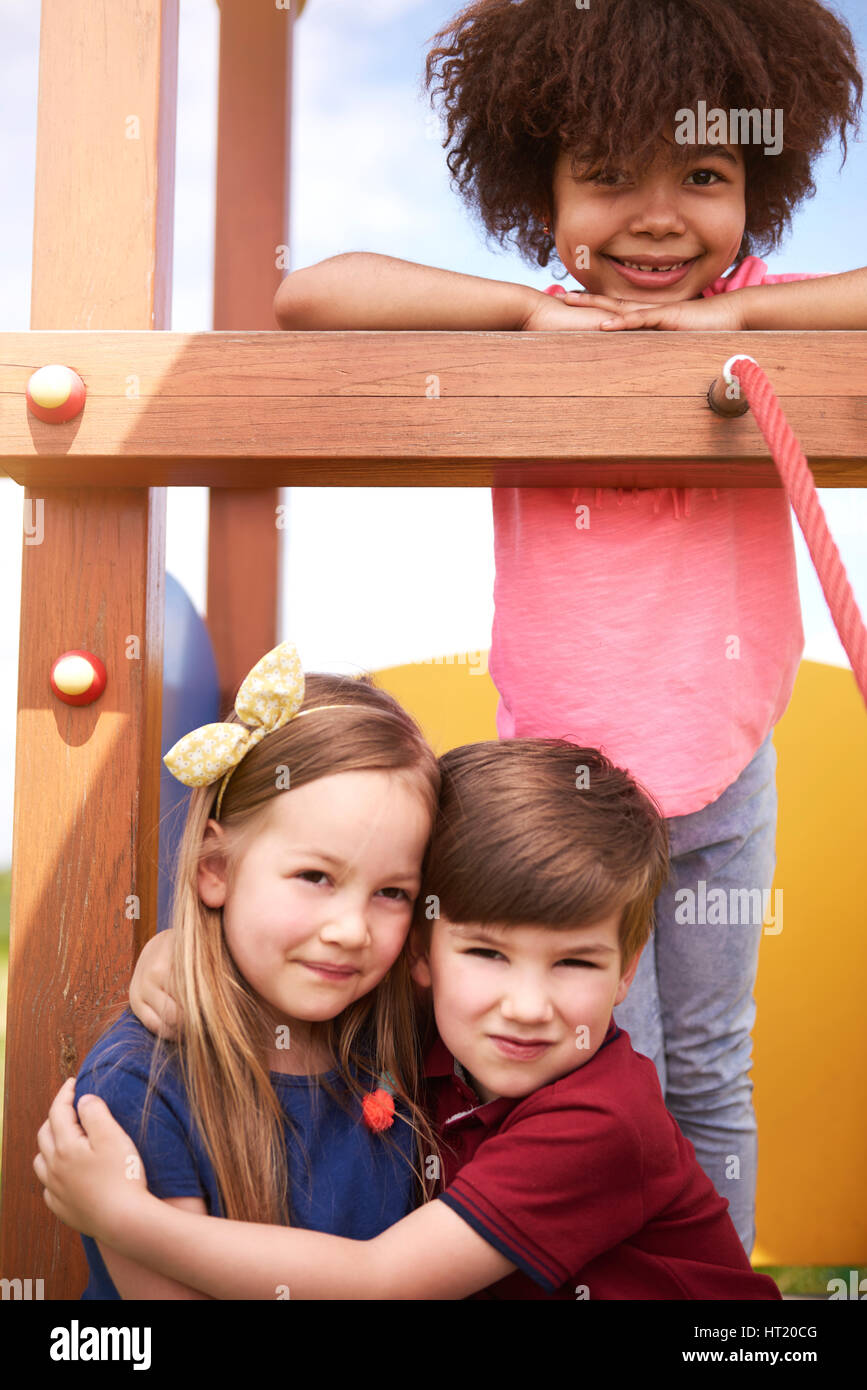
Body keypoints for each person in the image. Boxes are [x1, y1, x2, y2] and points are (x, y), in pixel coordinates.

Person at [268, 0, 866, 1255]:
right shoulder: (538, 324)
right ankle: (574, 1280)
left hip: (725, 772)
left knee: (707, 1065)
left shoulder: (768, 313)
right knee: (596, 1074)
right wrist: (520, 316)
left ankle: (710, 1292)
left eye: (703, 176)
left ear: (760, 178)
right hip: (566, 793)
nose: (657, 215)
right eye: (606, 178)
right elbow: (310, 297)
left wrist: (743, 321)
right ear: (537, 195)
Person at [37, 739, 782, 1299]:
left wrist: (124, 1219)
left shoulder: (601, 1118)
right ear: (423, 952)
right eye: (486, 953)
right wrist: (178, 954)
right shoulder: (415, 1018)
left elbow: (380, 1281)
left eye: (575, 964)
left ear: (627, 967)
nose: (525, 1007)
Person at [55, 639, 441, 1298]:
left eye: (392, 893)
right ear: (215, 870)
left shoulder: (402, 1038)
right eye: (315, 877)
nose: (350, 930)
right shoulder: (140, 1086)